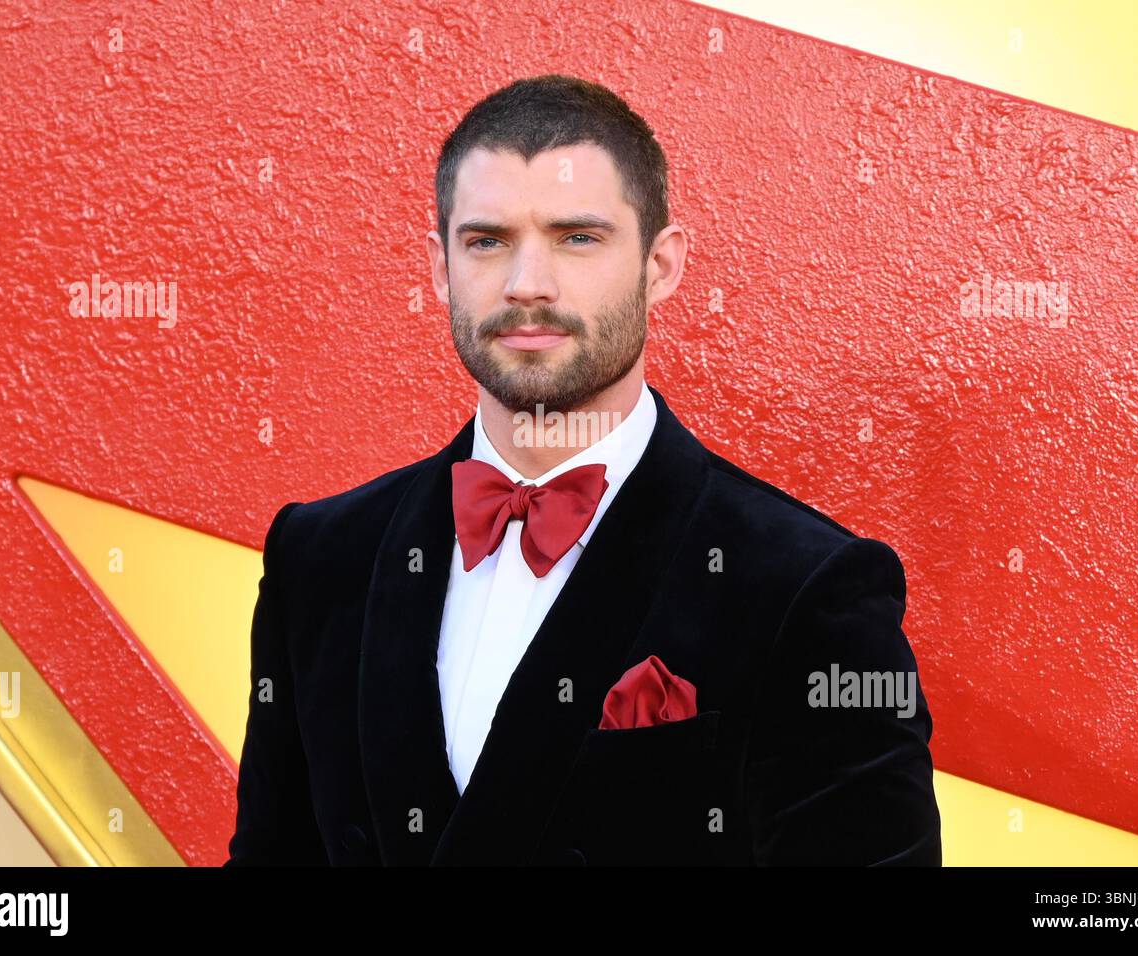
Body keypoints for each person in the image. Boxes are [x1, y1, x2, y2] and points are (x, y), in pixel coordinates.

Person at [225, 74, 941, 866]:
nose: (527, 283)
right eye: (488, 240)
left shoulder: (808, 588)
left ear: (661, 266)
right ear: (439, 268)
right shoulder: (320, 557)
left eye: (577, 237)